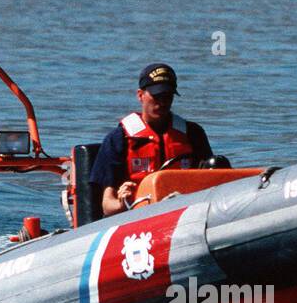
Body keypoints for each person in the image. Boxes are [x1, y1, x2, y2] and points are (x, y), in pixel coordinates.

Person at [90, 63, 214, 217]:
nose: (162, 102)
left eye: (167, 96)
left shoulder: (193, 134)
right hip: (136, 218)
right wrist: (122, 203)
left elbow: (211, 182)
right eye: (156, 96)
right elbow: (107, 205)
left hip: (184, 214)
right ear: (140, 95)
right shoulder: (118, 139)